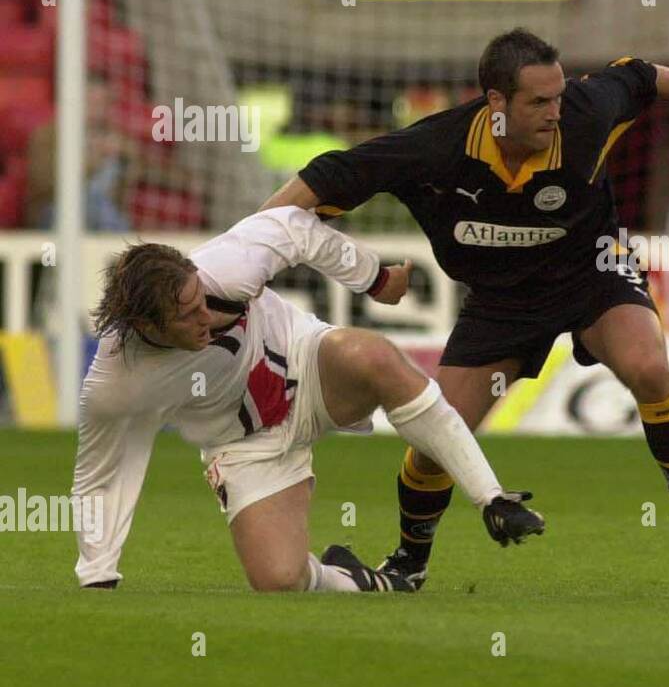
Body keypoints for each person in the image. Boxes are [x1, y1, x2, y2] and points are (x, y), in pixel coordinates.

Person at [262, 29, 669, 587]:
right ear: (495, 103)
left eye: (558, 96)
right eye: (538, 102)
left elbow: (641, 73)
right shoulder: (436, 150)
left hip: (593, 274)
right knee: (435, 437)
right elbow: (325, 176)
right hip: (501, 304)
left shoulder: (585, 114)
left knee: (648, 367)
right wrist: (247, 243)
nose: (555, 112)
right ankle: (410, 559)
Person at [73, 206, 544, 593]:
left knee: (372, 356)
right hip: (245, 445)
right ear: (150, 328)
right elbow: (101, 476)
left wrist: (375, 279)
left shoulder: (228, 267)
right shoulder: (118, 384)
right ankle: (367, 581)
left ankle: (492, 498)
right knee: (278, 580)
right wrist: (98, 574)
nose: (205, 314)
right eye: (188, 315)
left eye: (201, 297)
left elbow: (295, 228)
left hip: (307, 366)